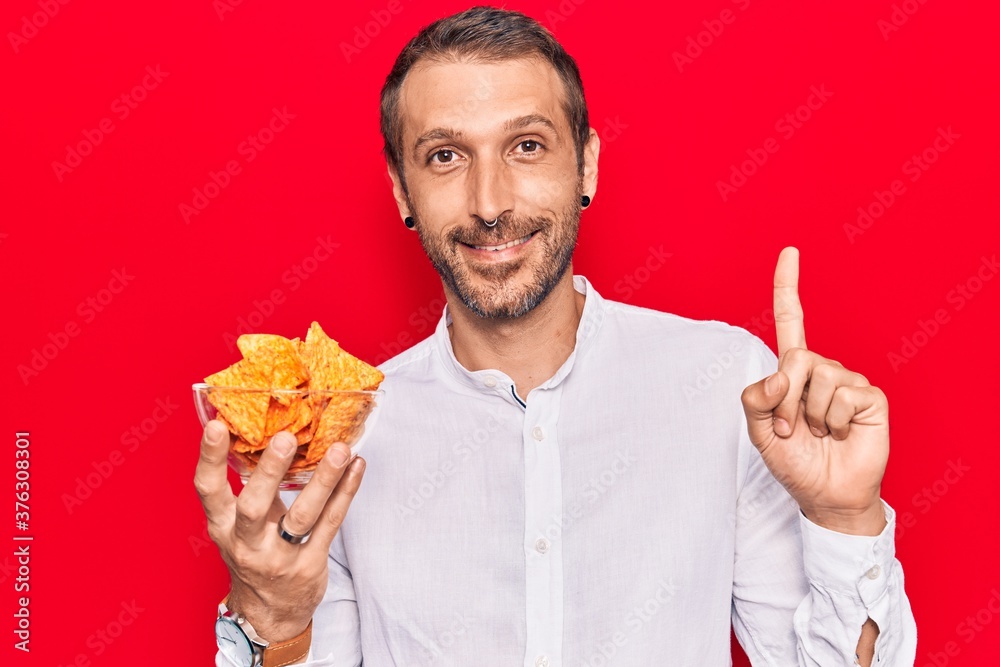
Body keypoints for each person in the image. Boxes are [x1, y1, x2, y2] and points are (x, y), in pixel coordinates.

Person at [195, 7, 916, 666]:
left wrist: (843, 518)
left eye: (527, 146)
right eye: (446, 156)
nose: (489, 203)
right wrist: (277, 620)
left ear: (587, 164)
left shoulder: (728, 386)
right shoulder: (343, 434)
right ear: (400, 188)